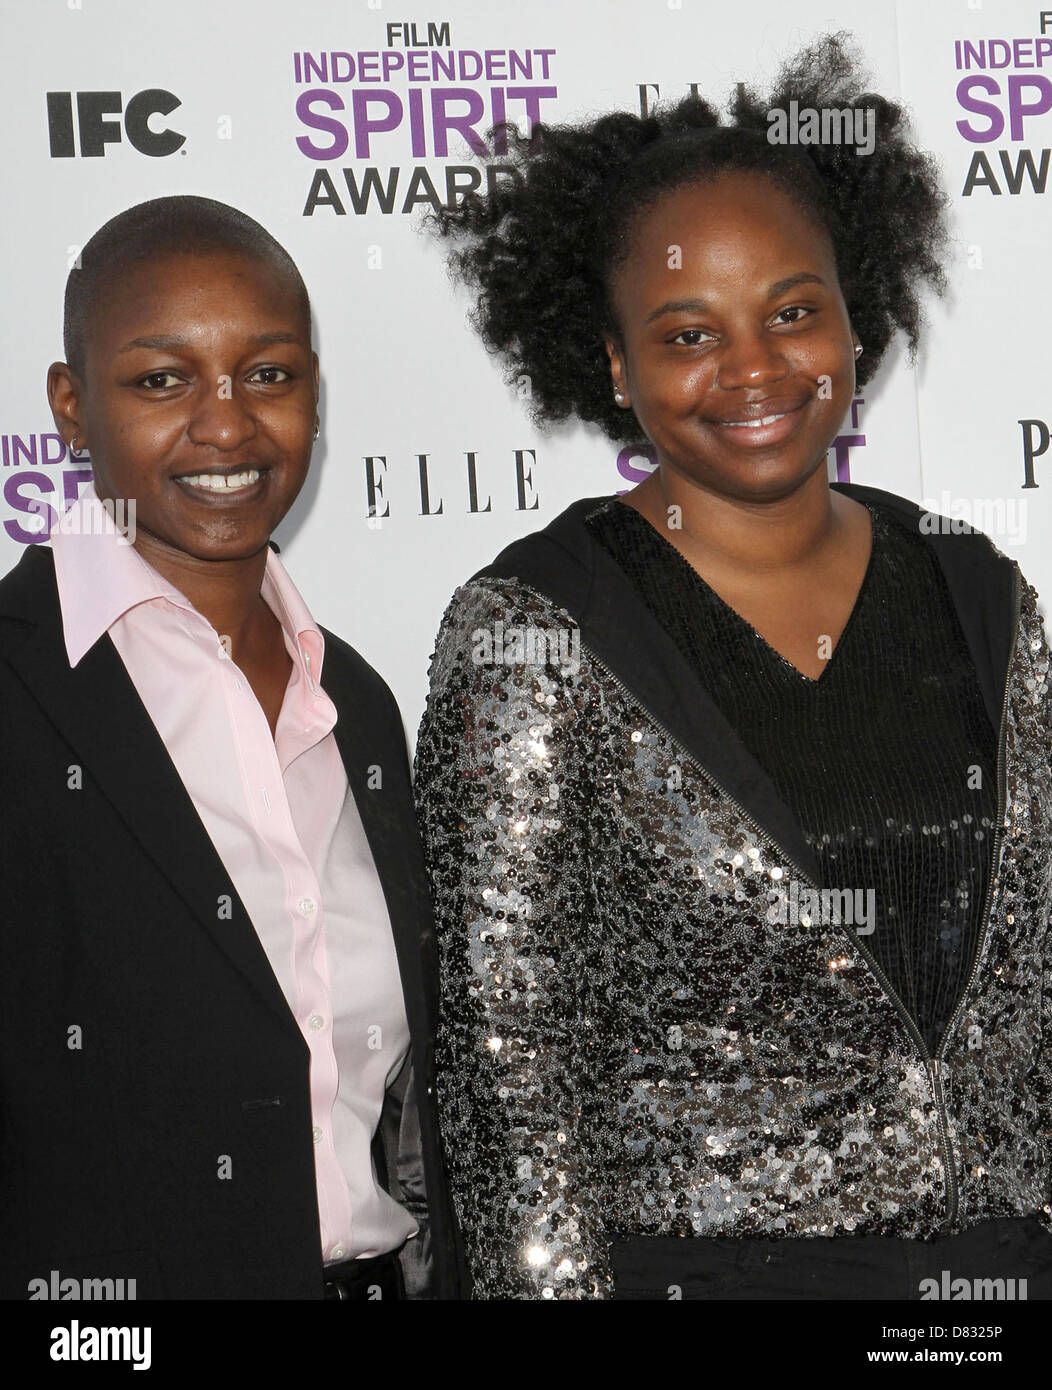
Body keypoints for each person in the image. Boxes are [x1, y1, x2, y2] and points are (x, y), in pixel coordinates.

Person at [413, 34, 1052, 1298]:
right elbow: (501, 1058)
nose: (753, 368)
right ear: (610, 361)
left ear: (852, 322)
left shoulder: (970, 584)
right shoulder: (532, 627)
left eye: (792, 312)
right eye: (686, 332)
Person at [0, 195, 459, 1300]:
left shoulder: (353, 696)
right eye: (162, 380)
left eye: (269, 374)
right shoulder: (16, 693)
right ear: (69, 407)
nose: (225, 425)